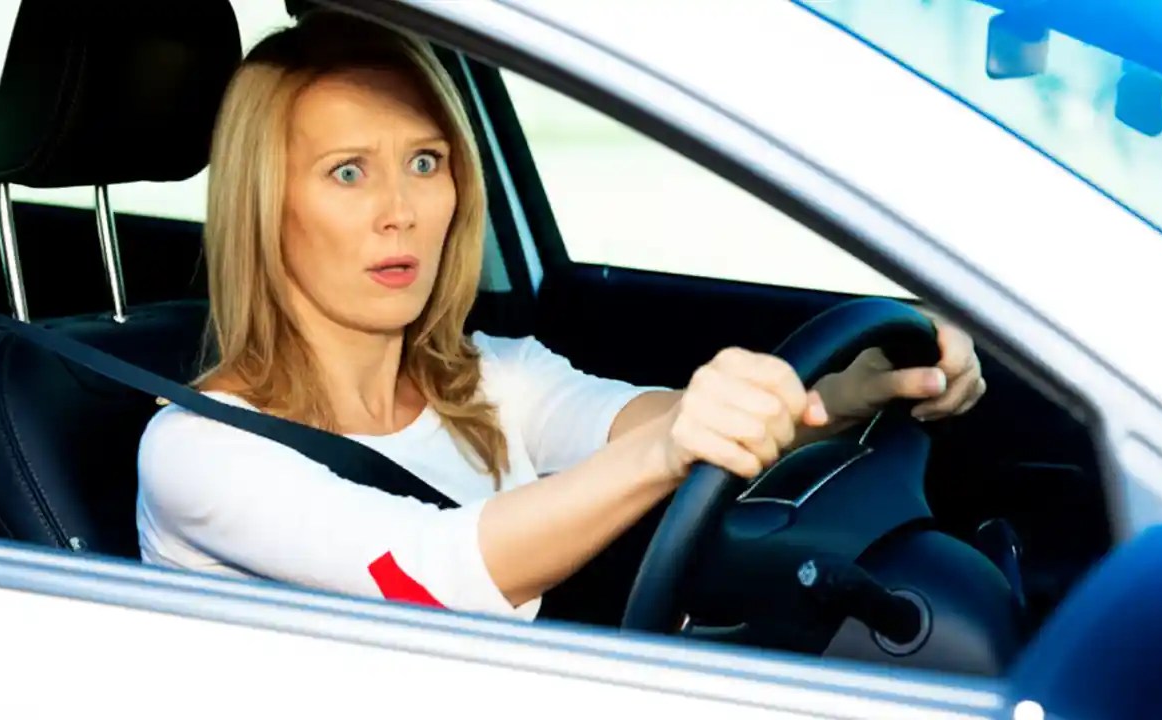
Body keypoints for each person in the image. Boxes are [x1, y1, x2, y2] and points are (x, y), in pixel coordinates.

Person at [135, 11, 986, 621]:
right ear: (264, 207)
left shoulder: (487, 377)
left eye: (425, 162)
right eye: (348, 173)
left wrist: (847, 392)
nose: (401, 211)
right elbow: (429, 574)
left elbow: (655, 420)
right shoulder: (199, 452)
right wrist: (669, 448)